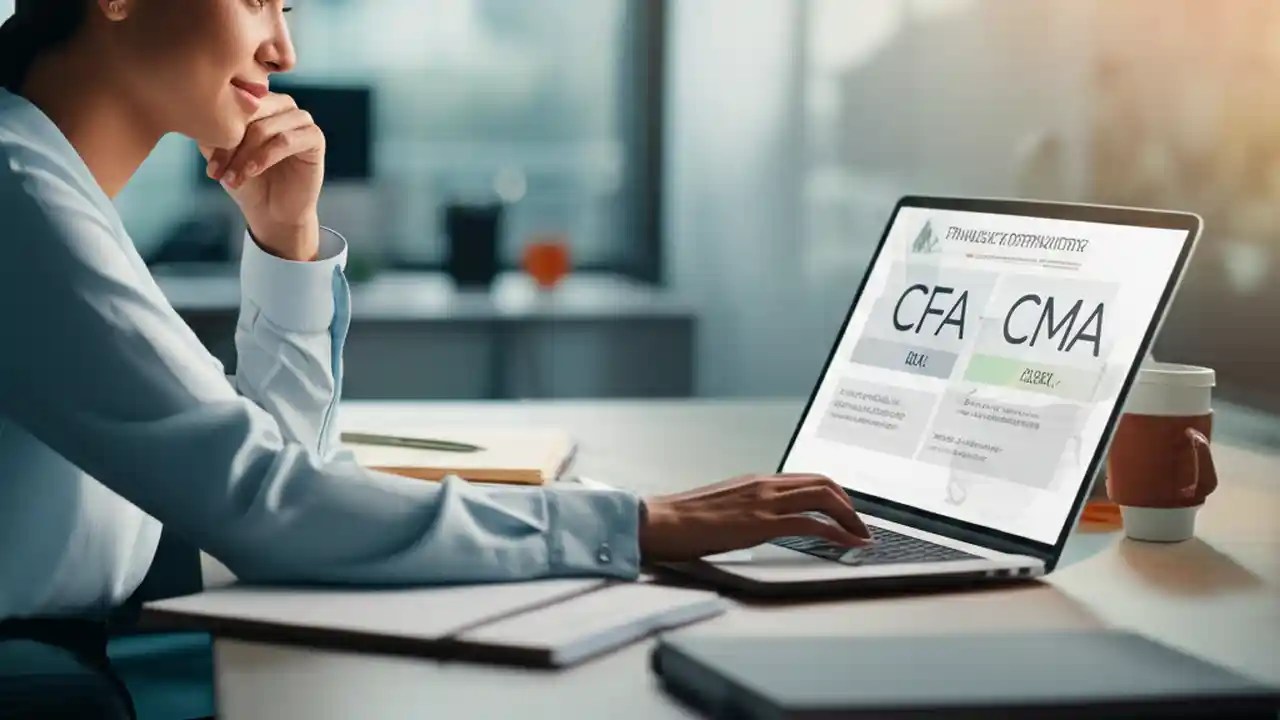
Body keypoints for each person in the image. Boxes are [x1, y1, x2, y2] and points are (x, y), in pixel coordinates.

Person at [0, 1, 871, 716]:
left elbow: (281, 474)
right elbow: (269, 507)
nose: (284, 47)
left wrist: (287, 240)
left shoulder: (51, 189)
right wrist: (633, 526)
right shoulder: (21, 193)